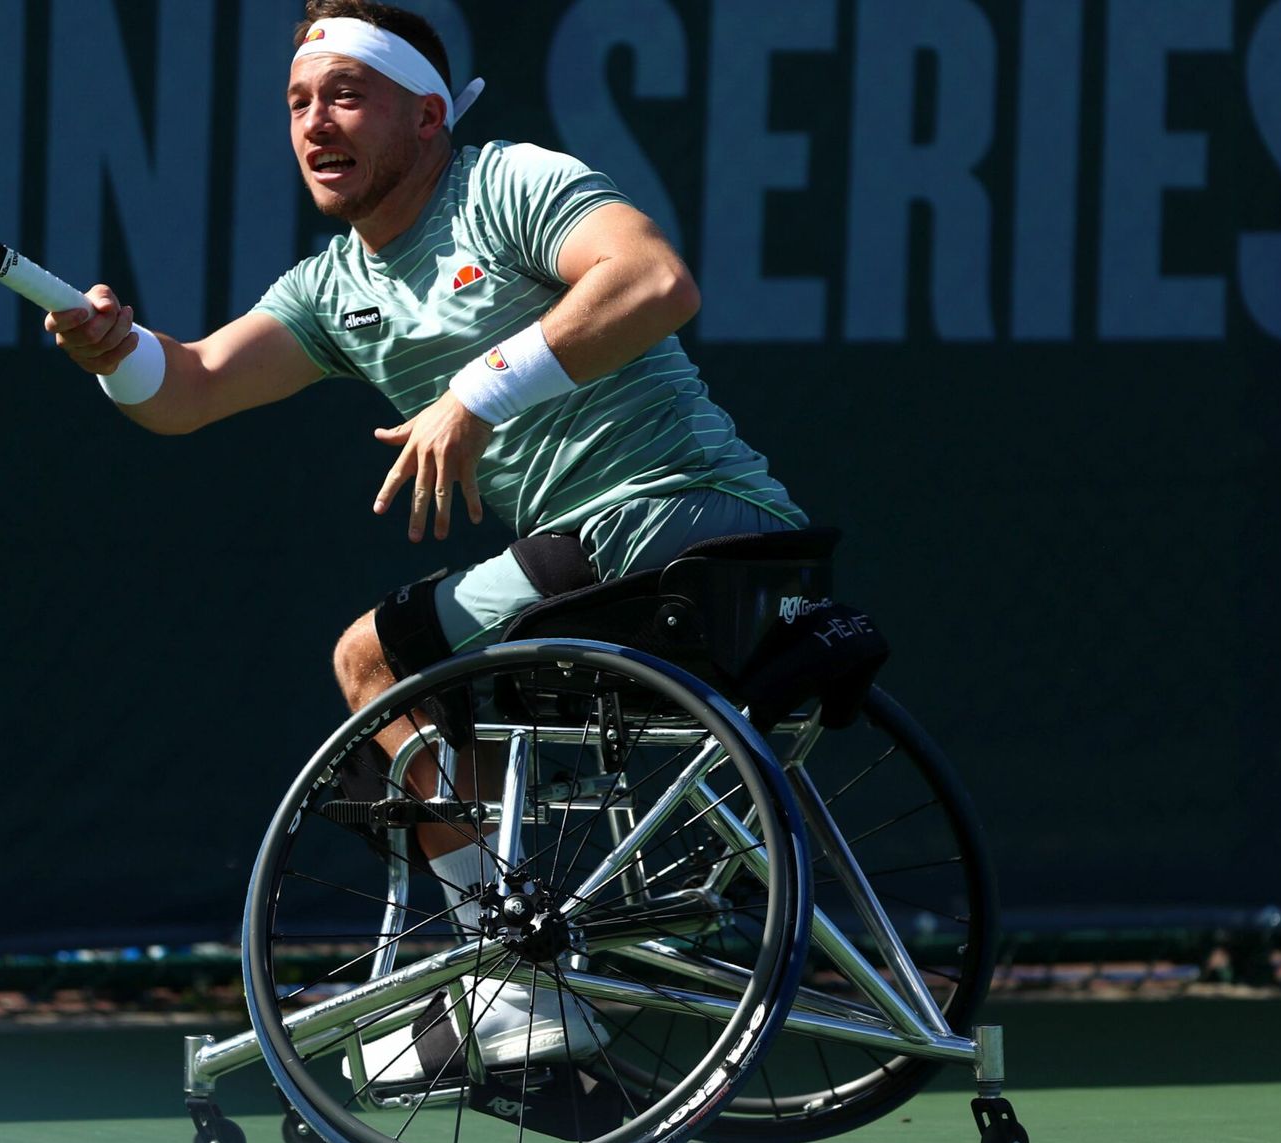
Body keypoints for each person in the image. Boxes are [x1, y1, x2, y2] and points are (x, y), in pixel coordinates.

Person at [45, 0, 806, 1086]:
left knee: (374, 655)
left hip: (676, 520)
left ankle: (515, 978)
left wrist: (476, 394)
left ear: (426, 115)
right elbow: (189, 389)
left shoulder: (509, 185)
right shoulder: (332, 289)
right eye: (299, 102)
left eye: (346, 96)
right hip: (608, 565)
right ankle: (504, 963)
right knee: (425, 671)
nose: (315, 122)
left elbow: (650, 284)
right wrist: (113, 353)